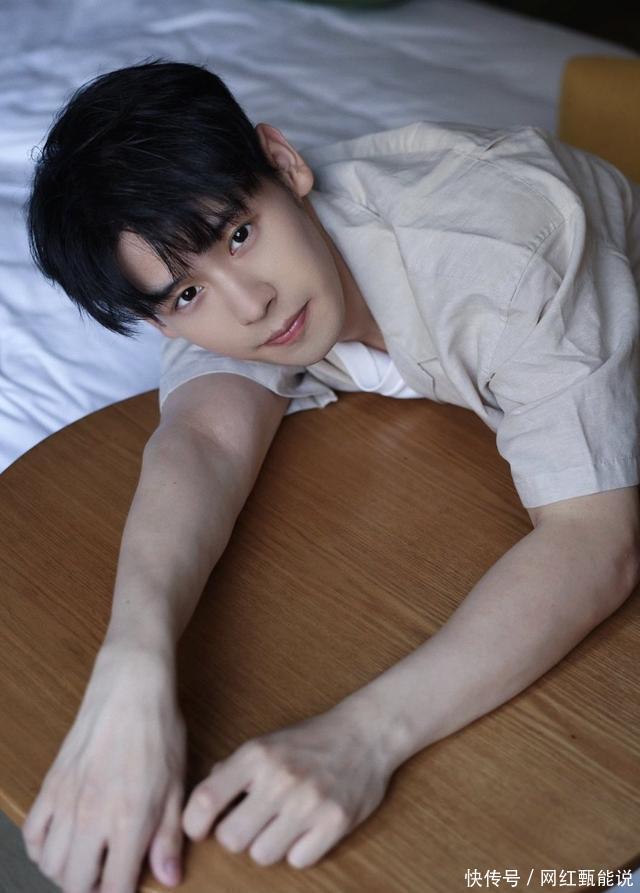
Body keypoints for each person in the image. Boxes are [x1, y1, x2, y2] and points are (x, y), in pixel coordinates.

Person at [22, 58, 640, 892]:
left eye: (240, 235)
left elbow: (596, 538)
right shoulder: (223, 289)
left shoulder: (504, 255)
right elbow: (201, 439)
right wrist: (131, 660)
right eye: (186, 295)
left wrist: (364, 737)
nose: (249, 304)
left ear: (286, 165)